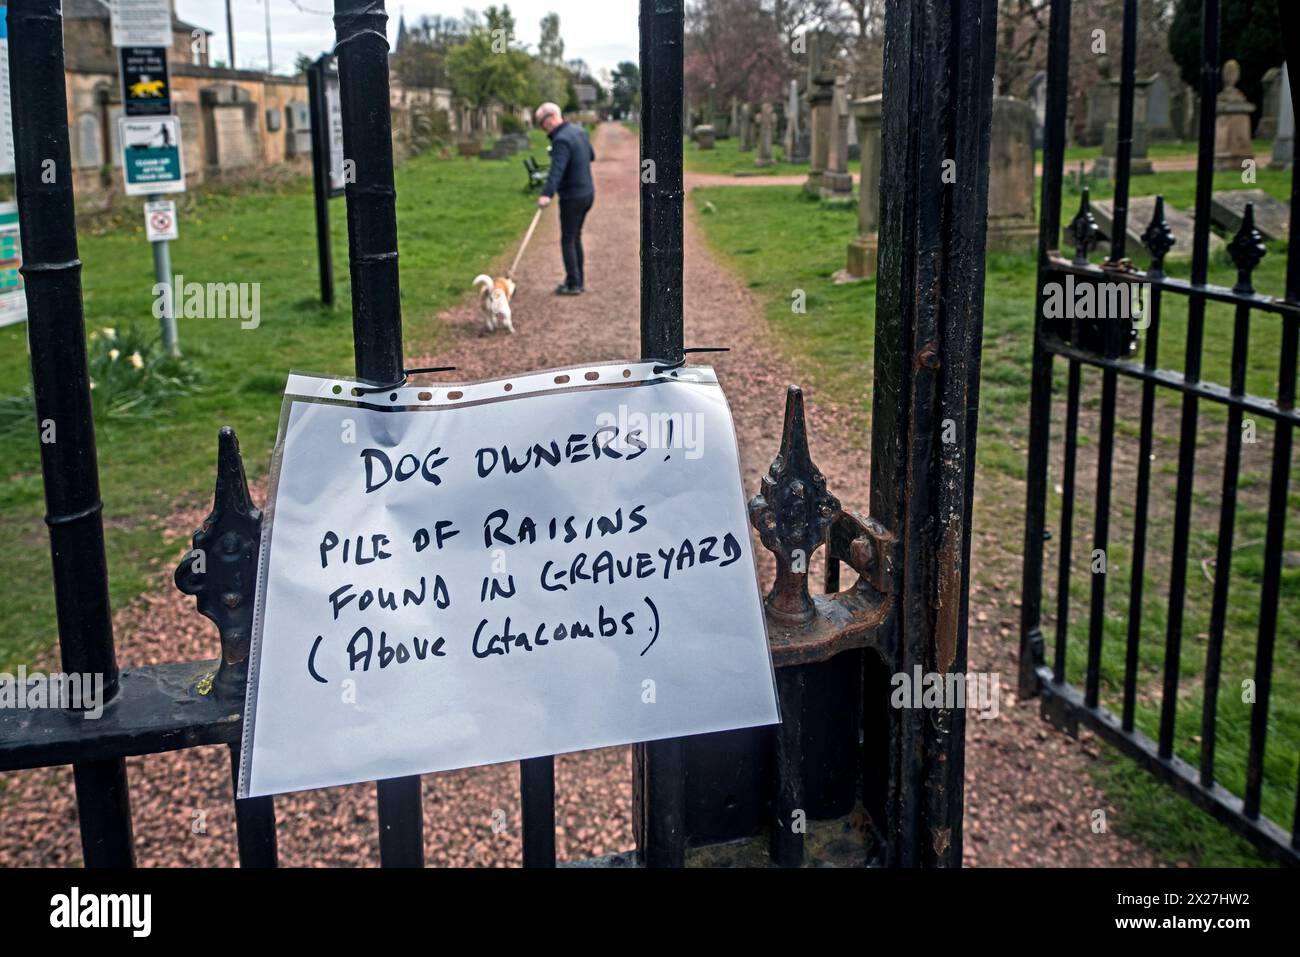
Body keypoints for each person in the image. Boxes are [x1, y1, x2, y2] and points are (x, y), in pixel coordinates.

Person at [534, 102, 595, 295]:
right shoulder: (578, 131)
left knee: (568, 239)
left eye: (542, 124)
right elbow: (591, 155)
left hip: (572, 196)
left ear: (551, 117)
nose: (543, 129)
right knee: (575, 236)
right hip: (587, 193)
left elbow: (556, 171)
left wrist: (546, 194)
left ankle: (573, 283)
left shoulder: (560, 140)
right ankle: (578, 280)